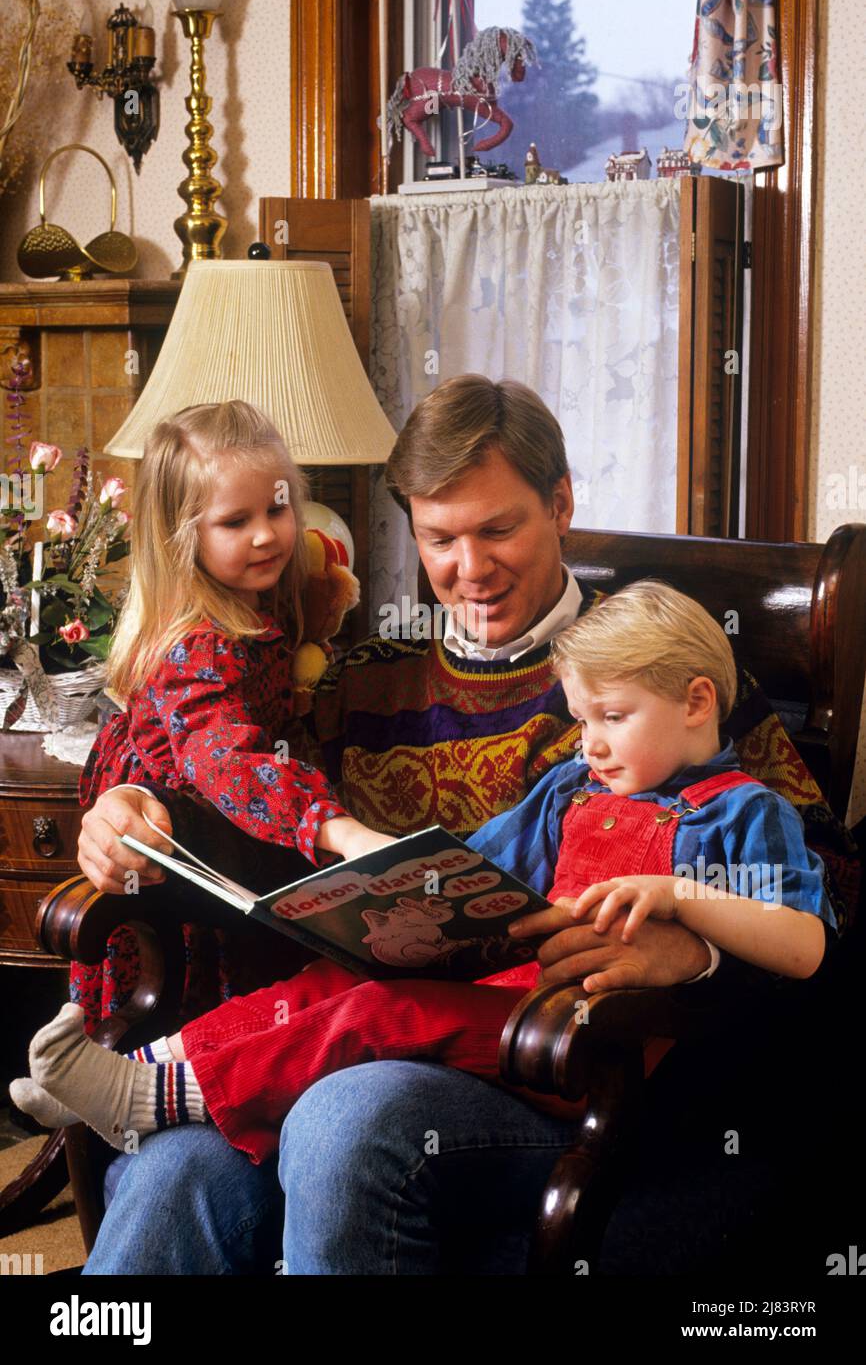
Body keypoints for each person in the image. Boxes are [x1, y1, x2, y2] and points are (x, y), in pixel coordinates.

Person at [67, 375, 854, 1274]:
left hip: (542, 1070)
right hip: (353, 1030)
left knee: (343, 1120)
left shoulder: (650, 678)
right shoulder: (360, 677)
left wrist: (693, 951)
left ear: (561, 505)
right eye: (439, 539)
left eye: (498, 529)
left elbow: (823, 881)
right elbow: (247, 797)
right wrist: (134, 807)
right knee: (174, 1171)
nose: (469, 569)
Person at [15, 582, 836, 1175]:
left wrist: (678, 899)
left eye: (612, 718)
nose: (589, 742)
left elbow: (804, 945)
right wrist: (390, 893)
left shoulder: (746, 811)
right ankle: (150, 1063)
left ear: (697, 702)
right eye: (582, 720)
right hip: (511, 1002)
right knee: (334, 976)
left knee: (381, 1010)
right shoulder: (573, 789)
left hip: (592, 1046)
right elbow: (473, 863)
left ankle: (155, 1104)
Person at [59, 399, 395, 1033]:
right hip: (184, 826)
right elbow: (227, 762)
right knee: (193, 980)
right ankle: (116, 1072)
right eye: (234, 521)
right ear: (182, 537)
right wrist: (341, 831)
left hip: (233, 813)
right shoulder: (198, 643)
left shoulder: (259, 595)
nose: (266, 534)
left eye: (277, 507)